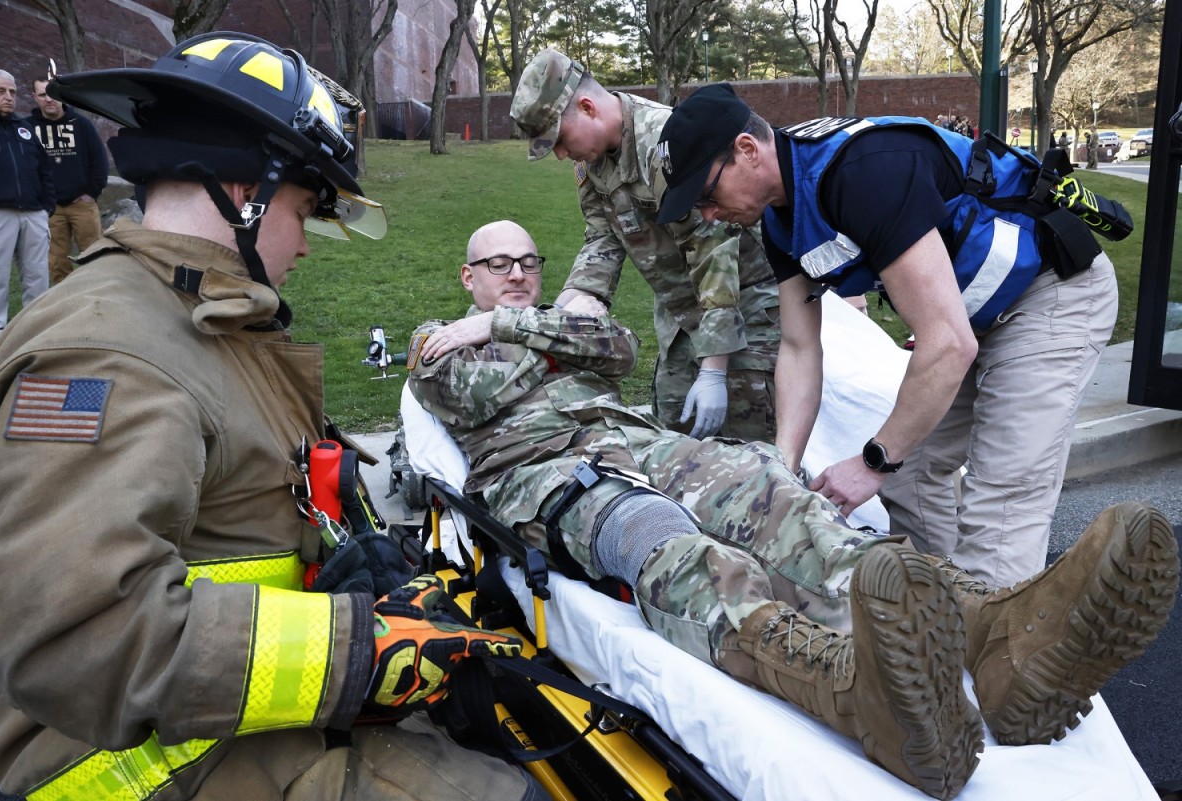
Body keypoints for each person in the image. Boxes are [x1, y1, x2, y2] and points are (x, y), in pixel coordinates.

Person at [406, 218, 1178, 801]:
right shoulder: (436, 342)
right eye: (498, 266)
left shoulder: (512, 325)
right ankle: (851, 691)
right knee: (678, 551)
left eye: (528, 261)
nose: (515, 274)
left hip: (634, 438)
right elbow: (489, 390)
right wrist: (525, 334)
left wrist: (511, 325)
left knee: (775, 489)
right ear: (466, 275)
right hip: (553, 475)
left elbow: (615, 346)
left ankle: (994, 636)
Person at [0, 33, 546, 801]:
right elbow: (76, 640)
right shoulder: (108, 352)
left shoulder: (201, 316)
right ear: (246, 194)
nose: (307, 247)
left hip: (225, 719)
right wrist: (363, 648)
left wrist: (356, 578)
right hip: (142, 763)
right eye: (306, 209)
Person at [653, 83, 1120, 587]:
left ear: (747, 150)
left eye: (705, 193)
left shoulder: (861, 174)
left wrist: (873, 461)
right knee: (912, 477)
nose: (705, 214)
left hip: (1049, 294)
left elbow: (947, 345)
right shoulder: (781, 220)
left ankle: (999, 649)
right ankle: (940, 608)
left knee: (1000, 499)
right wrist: (783, 470)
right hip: (972, 317)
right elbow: (799, 346)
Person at [509, 49, 780, 442]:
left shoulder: (663, 142)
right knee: (673, 433)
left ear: (587, 107)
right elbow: (601, 232)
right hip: (680, 315)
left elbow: (712, 251)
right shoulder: (591, 162)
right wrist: (572, 308)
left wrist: (715, 370)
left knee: (751, 440)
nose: (562, 154)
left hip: (745, 306)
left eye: (560, 140)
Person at [0, 68, 53, 349]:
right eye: (1, 91)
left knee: (38, 277)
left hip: (34, 213)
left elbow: (44, 169)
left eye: (12, 92)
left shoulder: (24, 128)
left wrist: (47, 206)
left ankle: (33, 333)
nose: (9, 97)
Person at [30, 76, 110, 285]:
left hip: (81, 204)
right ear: (35, 98)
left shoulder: (82, 125)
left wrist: (91, 193)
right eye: (42, 94)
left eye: (52, 94)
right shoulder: (27, 128)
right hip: (50, 208)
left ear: (60, 95)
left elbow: (99, 162)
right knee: (56, 261)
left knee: (93, 255)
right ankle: (65, 300)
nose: (48, 99)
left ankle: (95, 294)